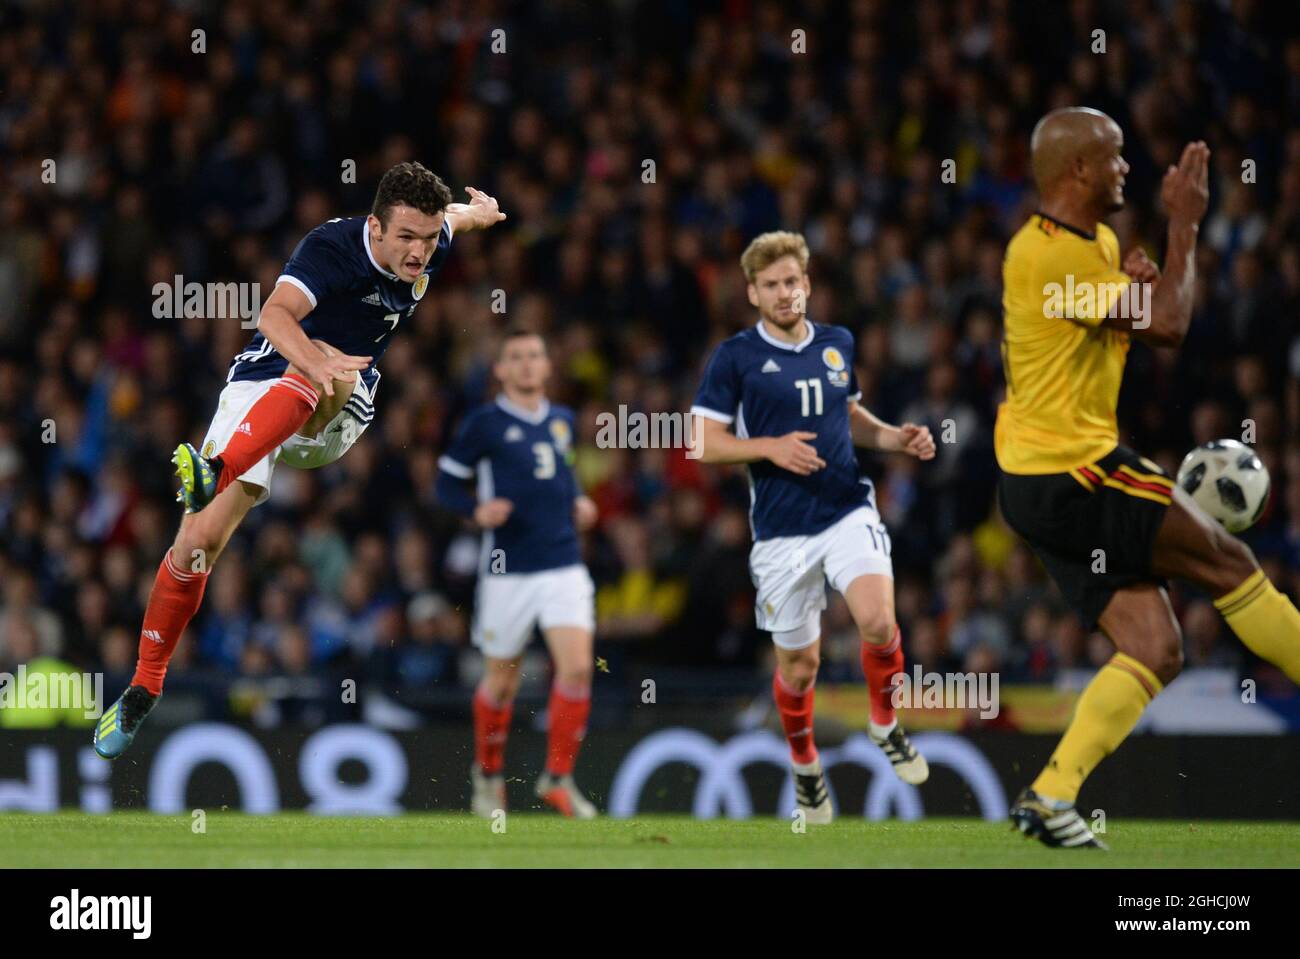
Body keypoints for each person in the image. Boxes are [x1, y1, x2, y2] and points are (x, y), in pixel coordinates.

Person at [93, 162, 506, 759]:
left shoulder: (435, 235)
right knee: (195, 546)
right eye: (407, 238)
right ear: (376, 226)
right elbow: (272, 316)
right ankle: (143, 687)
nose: (420, 251)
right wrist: (310, 361)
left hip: (340, 401)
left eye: (429, 236)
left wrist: (481, 215)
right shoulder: (331, 246)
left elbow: (458, 221)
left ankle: (217, 468)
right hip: (264, 383)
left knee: (330, 360)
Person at [998, 108, 1300, 848]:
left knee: (1157, 647)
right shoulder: (1048, 260)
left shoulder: (1091, 243)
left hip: (1037, 480)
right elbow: (1168, 321)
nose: (1128, 167)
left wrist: (1131, 289)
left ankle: (1051, 792)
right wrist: (1185, 226)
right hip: (1075, 471)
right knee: (1229, 562)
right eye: (1115, 155)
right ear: (1076, 172)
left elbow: (1129, 322)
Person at [691, 231, 936, 825]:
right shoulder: (735, 358)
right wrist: (769, 447)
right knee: (800, 668)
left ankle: (885, 723)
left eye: (792, 282)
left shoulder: (837, 343)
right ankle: (805, 766)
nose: (784, 293)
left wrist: (893, 438)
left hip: (846, 507)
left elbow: (847, 415)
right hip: (781, 531)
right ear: (752, 292)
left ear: (808, 284)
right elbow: (701, 442)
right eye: (771, 285)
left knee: (879, 620)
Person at [436, 329, 600, 818]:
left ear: (548, 367)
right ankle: (487, 776)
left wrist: (579, 500)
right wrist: (476, 510)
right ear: (501, 371)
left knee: (576, 668)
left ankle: (558, 776)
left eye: (535, 355)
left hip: (563, 563)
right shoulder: (485, 424)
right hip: (506, 570)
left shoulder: (562, 420)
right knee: (501, 684)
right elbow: (445, 483)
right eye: (516, 357)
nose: (527, 364)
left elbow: (560, 472)